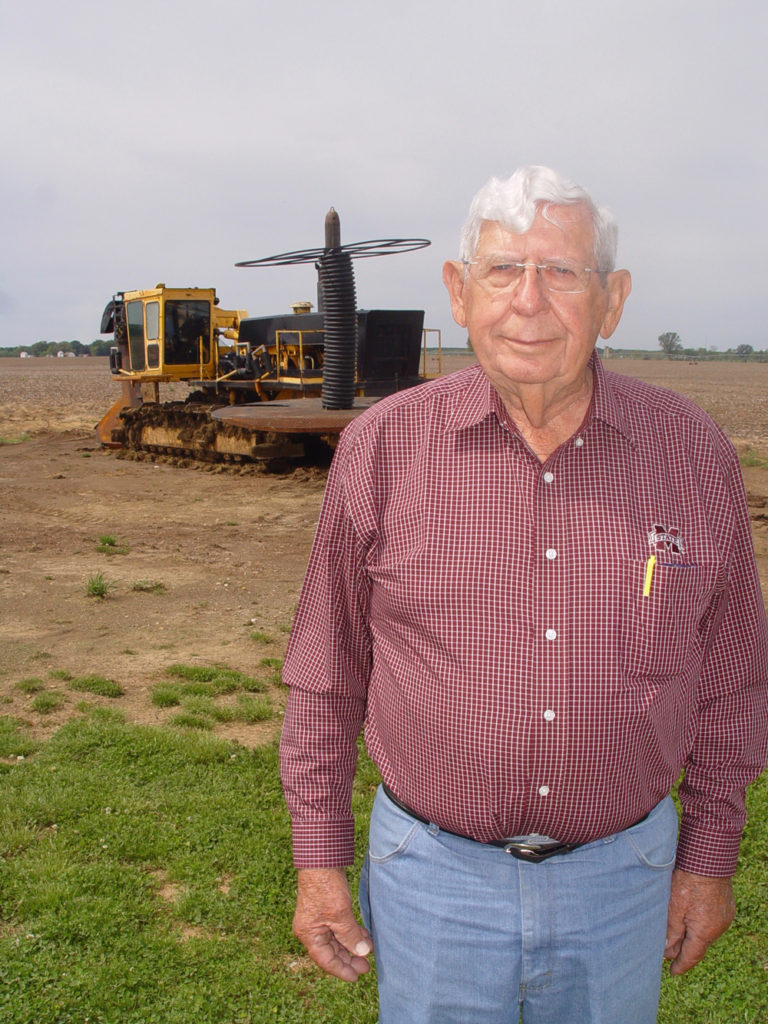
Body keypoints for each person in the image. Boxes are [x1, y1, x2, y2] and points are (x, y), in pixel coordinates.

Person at [279, 166, 768, 1023]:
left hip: (625, 882)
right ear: (459, 293)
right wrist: (319, 863)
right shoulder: (383, 450)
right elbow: (327, 671)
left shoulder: (693, 456)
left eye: (562, 271)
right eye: (504, 270)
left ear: (611, 301)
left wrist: (710, 857)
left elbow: (734, 683)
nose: (529, 301)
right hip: (432, 882)